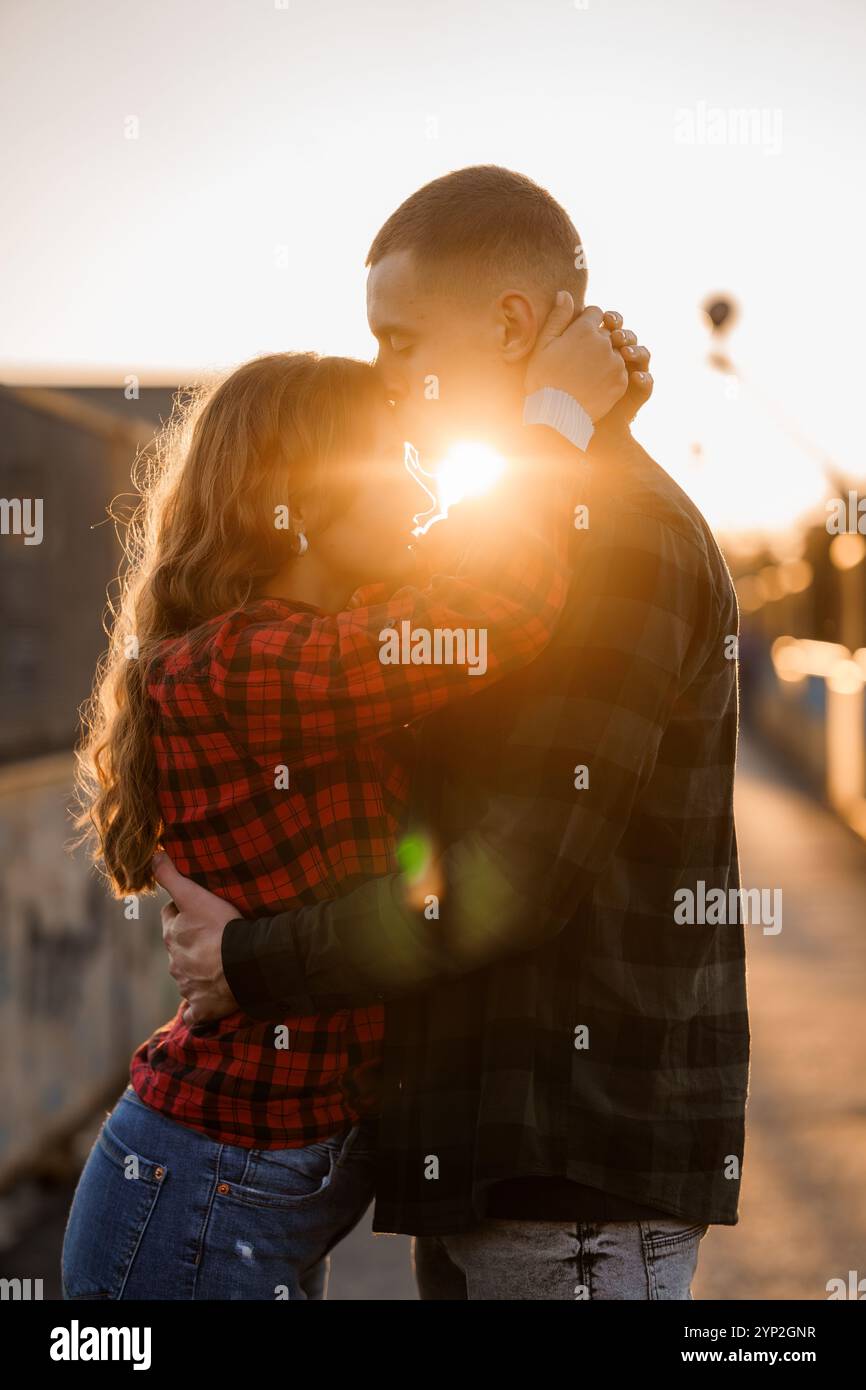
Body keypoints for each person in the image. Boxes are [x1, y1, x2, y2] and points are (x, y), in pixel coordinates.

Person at [156, 166, 749, 1301]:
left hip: (565, 1176)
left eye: (399, 338)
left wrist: (250, 963)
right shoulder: (539, 517)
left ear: (511, 324)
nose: (383, 379)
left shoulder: (609, 536)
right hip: (506, 1157)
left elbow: (515, 877)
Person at [63, 301, 632, 1298]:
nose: (421, 489)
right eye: (393, 460)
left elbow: (456, 586)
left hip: (245, 1188)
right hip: (198, 1189)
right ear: (303, 494)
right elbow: (491, 609)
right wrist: (552, 420)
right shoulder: (238, 664)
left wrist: (589, 415)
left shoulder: (317, 642)